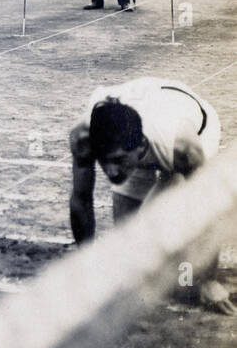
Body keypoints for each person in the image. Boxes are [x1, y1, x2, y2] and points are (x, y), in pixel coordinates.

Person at [69, 78, 230, 314]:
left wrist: (209, 279)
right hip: (147, 120)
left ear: (141, 147)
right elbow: (81, 199)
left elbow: (210, 209)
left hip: (194, 125)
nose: (111, 171)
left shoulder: (184, 149)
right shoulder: (84, 137)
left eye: (118, 161)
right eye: (104, 160)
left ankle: (191, 275)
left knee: (177, 216)